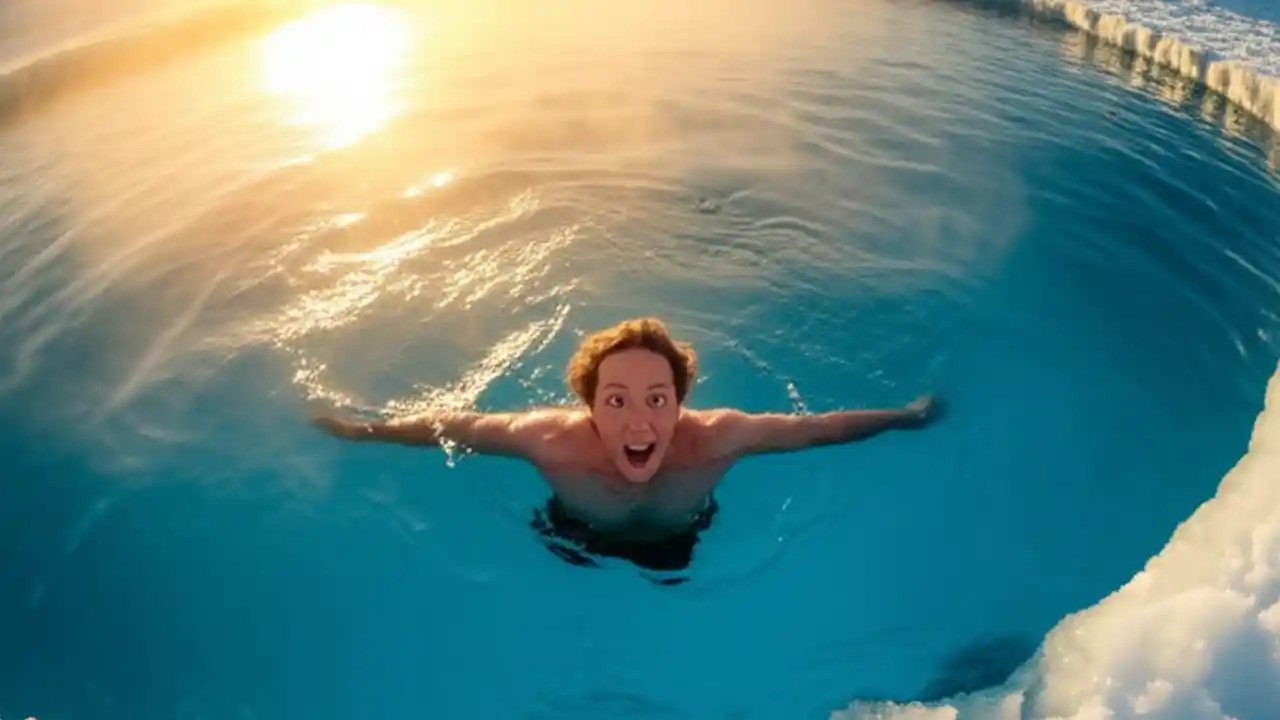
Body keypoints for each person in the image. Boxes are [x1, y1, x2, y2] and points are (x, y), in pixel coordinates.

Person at [314, 317, 940, 579]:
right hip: (573, 533)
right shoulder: (548, 442)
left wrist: (903, 418)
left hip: (678, 538)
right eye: (616, 401)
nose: (640, 422)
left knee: (672, 577)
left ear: (681, 400)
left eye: (656, 399)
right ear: (589, 406)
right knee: (570, 562)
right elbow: (453, 425)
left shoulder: (720, 437)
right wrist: (360, 429)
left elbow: (816, 429)